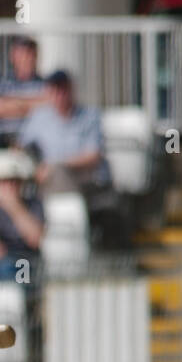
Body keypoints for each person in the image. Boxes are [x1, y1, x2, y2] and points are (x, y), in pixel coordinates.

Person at [17, 70, 120, 247]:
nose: (59, 95)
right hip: (46, 181)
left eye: (63, 90)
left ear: (71, 90)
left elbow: (92, 157)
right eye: (55, 90)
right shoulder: (39, 117)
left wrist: (56, 166)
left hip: (83, 180)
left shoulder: (89, 116)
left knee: (58, 175)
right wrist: (36, 168)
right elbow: (20, 148)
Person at [0, 152, 45, 283]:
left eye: (14, 182)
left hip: (26, 258)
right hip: (2, 260)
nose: (10, 186)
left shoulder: (34, 205)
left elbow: (35, 238)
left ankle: (23, 301)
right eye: (5, 182)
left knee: (20, 267)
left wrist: (14, 207)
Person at [0, 37, 46, 148]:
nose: (27, 59)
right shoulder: (0, 84)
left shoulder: (45, 84)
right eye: (23, 55)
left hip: (33, 143)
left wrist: (8, 104)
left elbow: (50, 107)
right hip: (2, 140)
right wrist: (32, 104)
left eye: (31, 55)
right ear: (13, 57)